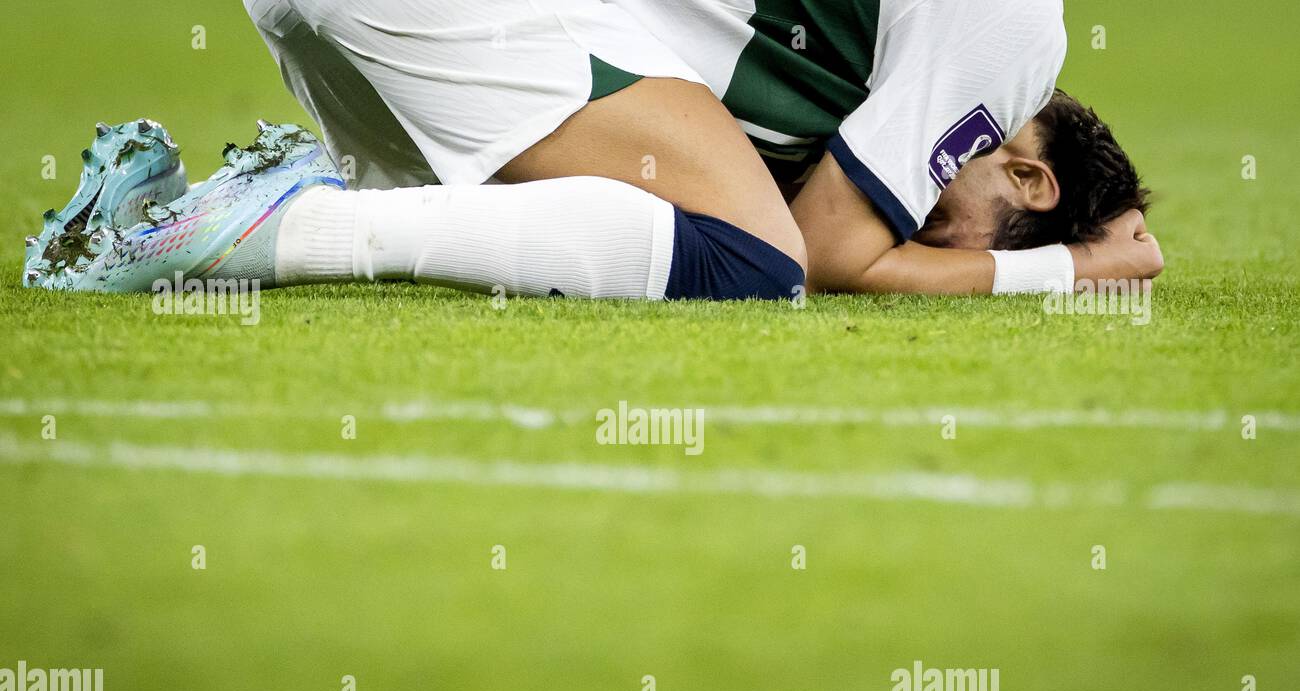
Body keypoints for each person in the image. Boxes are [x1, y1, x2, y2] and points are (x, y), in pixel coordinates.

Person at [24, 0, 1161, 299]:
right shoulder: (1016, 32)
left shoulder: (843, 79)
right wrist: (1068, 270)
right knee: (748, 262)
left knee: (598, 213)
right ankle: (265, 224)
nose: (913, 234)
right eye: (944, 226)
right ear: (1026, 174)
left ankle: (251, 191)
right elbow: (827, 251)